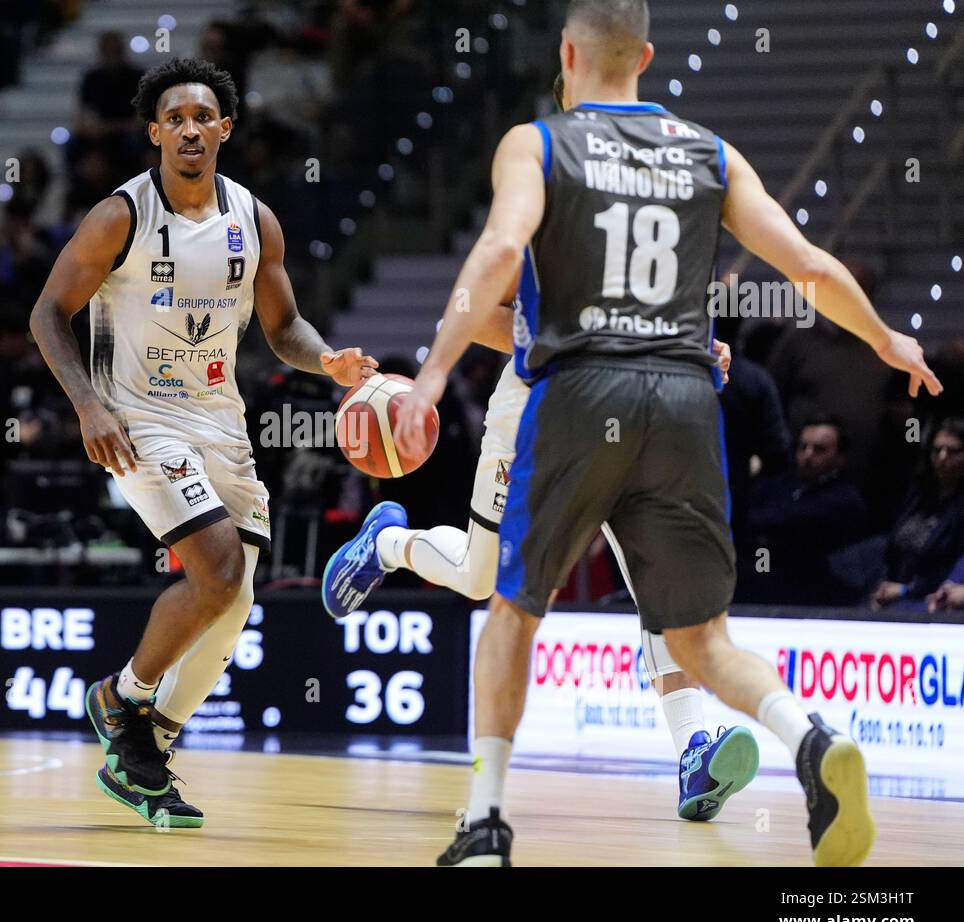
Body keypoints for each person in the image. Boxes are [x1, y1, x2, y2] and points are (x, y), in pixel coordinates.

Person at [392, 0, 940, 866]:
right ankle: (812, 743)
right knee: (704, 640)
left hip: (578, 390)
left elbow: (499, 252)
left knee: (511, 610)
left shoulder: (537, 143)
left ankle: (486, 822)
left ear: (566, 54)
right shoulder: (709, 152)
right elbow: (806, 266)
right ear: (644, 55)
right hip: (687, 398)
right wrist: (885, 338)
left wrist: (429, 375)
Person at [322, 76, 756, 825]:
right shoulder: (541, 176)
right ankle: (389, 544)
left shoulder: (654, 181)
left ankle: (695, 744)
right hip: (536, 405)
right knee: (479, 574)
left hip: (629, 402)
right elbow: (477, 311)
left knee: (659, 577)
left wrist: (692, 349)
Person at [29, 57, 377, 828]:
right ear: (155, 132)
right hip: (138, 414)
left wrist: (327, 361)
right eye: (175, 118)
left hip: (221, 419)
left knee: (235, 600)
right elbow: (49, 312)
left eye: (203, 117)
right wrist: (87, 404)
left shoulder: (255, 220)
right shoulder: (119, 215)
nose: (190, 128)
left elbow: (283, 328)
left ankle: (144, 752)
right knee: (216, 567)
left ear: (225, 129)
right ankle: (122, 698)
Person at [749, 418, 868, 605]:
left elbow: (786, 521)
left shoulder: (845, 497)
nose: (808, 455)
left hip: (812, 590)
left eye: (819, 449)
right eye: (803, 447)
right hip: (765, 573)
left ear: (840, 457)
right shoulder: (783, 482)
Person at [872, 419, 964, 610]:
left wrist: (906, 590)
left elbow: (953, 567)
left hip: (932, 598)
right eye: (936, 450)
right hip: (894, 591)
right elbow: (892, 549)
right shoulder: (919, 495)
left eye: (953, 451)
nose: (942, 457)